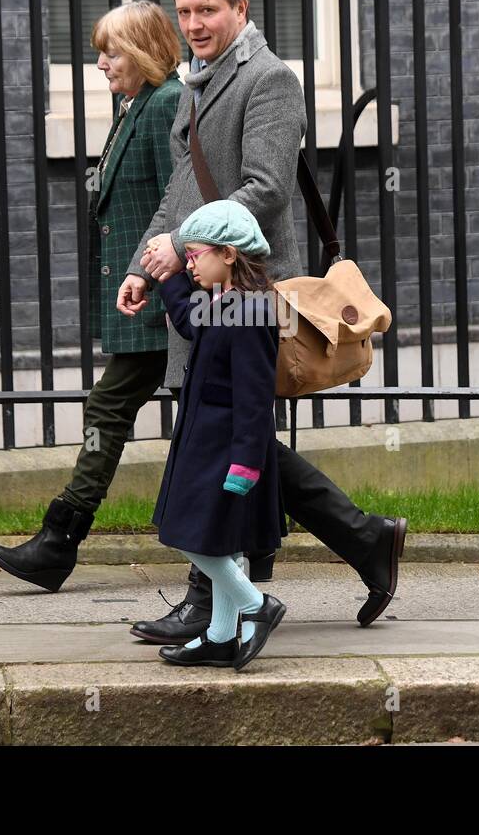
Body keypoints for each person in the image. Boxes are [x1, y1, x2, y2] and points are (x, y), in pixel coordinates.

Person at [121, 0, 407, 644]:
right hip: (199, 280)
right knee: (228, 436)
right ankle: (362, 542)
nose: (193, 22)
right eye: (184, 11)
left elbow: (266, 189)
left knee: (220, 435)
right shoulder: (197, 80)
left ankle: (217, 595)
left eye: (207, 9)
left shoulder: (270, 80)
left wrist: (183, 244)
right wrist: (146, 262)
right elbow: (176, 191)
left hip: (245, 289)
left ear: (240, 9)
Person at [0, 1, 187, 591]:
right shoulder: (136, 106)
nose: (100, 63)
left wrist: (147, 274)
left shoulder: (166, 104)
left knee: (109, 409)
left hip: (159, 299)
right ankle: (351, 532)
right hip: (140, 296)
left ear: (146, 50)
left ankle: (59, 540)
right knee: (213, 423)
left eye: (112, 51)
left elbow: (173, 206)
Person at [146, 201, 286, 669]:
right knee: (221, 540)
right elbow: (189, 321)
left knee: (189, 533)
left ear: (228, 254)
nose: (189, 263)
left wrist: (246, 462)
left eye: (195, 256)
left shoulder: (251, 312)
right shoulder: (224, 303)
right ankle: (222, 637)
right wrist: (168, 279)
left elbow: (254, 396)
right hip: (203, 441)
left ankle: (256, 606)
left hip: (226, 449)